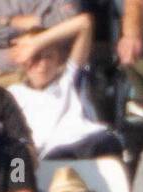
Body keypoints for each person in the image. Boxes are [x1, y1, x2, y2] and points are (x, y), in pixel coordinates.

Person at [6, 17, 119, 159]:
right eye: (35, 57)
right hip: (51, 155)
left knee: (107, 142)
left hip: (89, 141)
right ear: (22, 61)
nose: (43, 64)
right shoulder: (14, 94)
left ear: (59, 59)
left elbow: (85, 24)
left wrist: (36, 43)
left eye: (49, 57)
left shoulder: (69, 78)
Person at [0, 0, 87, 84]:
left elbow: (69, 19)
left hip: (52, 72)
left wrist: (8, 22)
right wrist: (28, 27)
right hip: (1, 73)